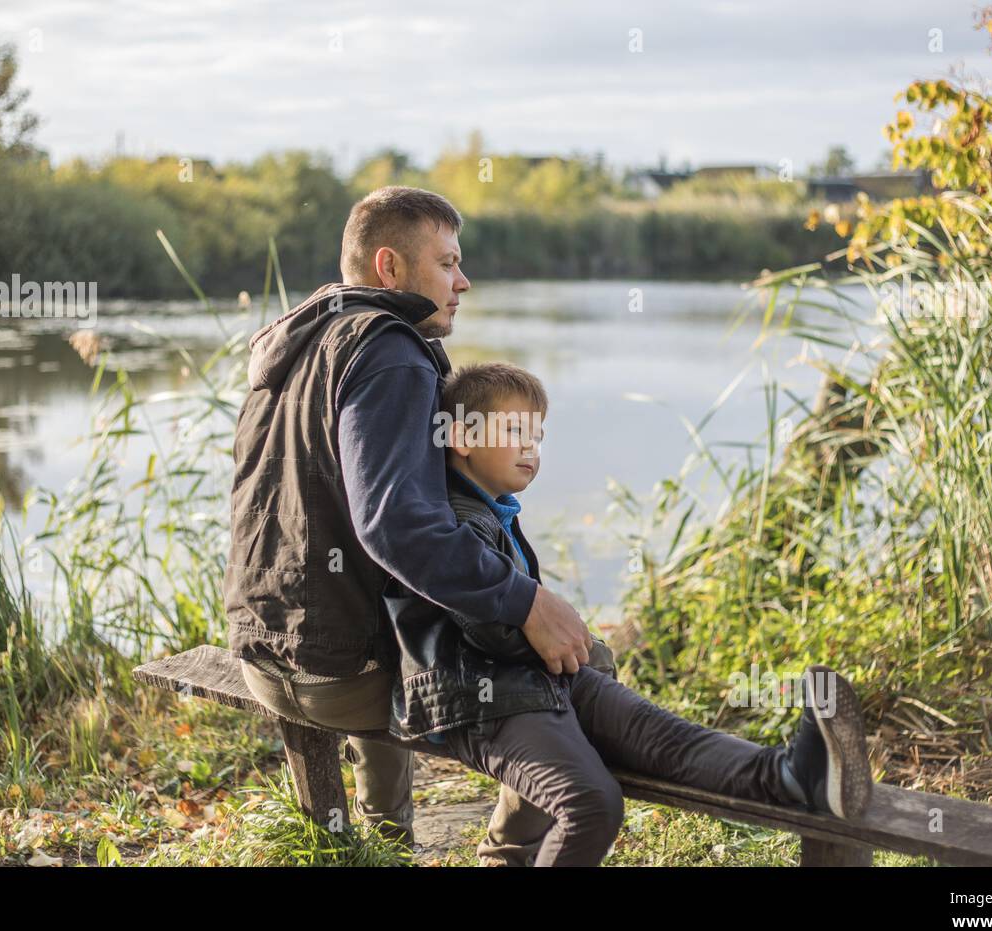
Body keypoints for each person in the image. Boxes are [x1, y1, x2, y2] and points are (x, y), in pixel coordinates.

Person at [226, 186, 596, 865]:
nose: (464, 281)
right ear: (390, 269)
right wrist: (526, 601)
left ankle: (386, 839)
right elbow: (394, 526)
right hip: (334, 676)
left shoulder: (297, 340)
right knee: (582, 664)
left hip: (264, 651)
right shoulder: (391, 353)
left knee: (386, 601)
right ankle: (508, 855)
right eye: (448, 263)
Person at [382, 360, 874, 865]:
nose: (532, 447)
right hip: (485, 702)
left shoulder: (492, 510)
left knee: (661, 735)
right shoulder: (460, 522)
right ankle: (786, 776)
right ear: (462, 438)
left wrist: (573, 642)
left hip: (534, 679)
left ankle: (791, 775)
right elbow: (492, 630)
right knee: (591, 802)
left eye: (539, 436)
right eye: (515, 431)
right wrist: (564, 631)